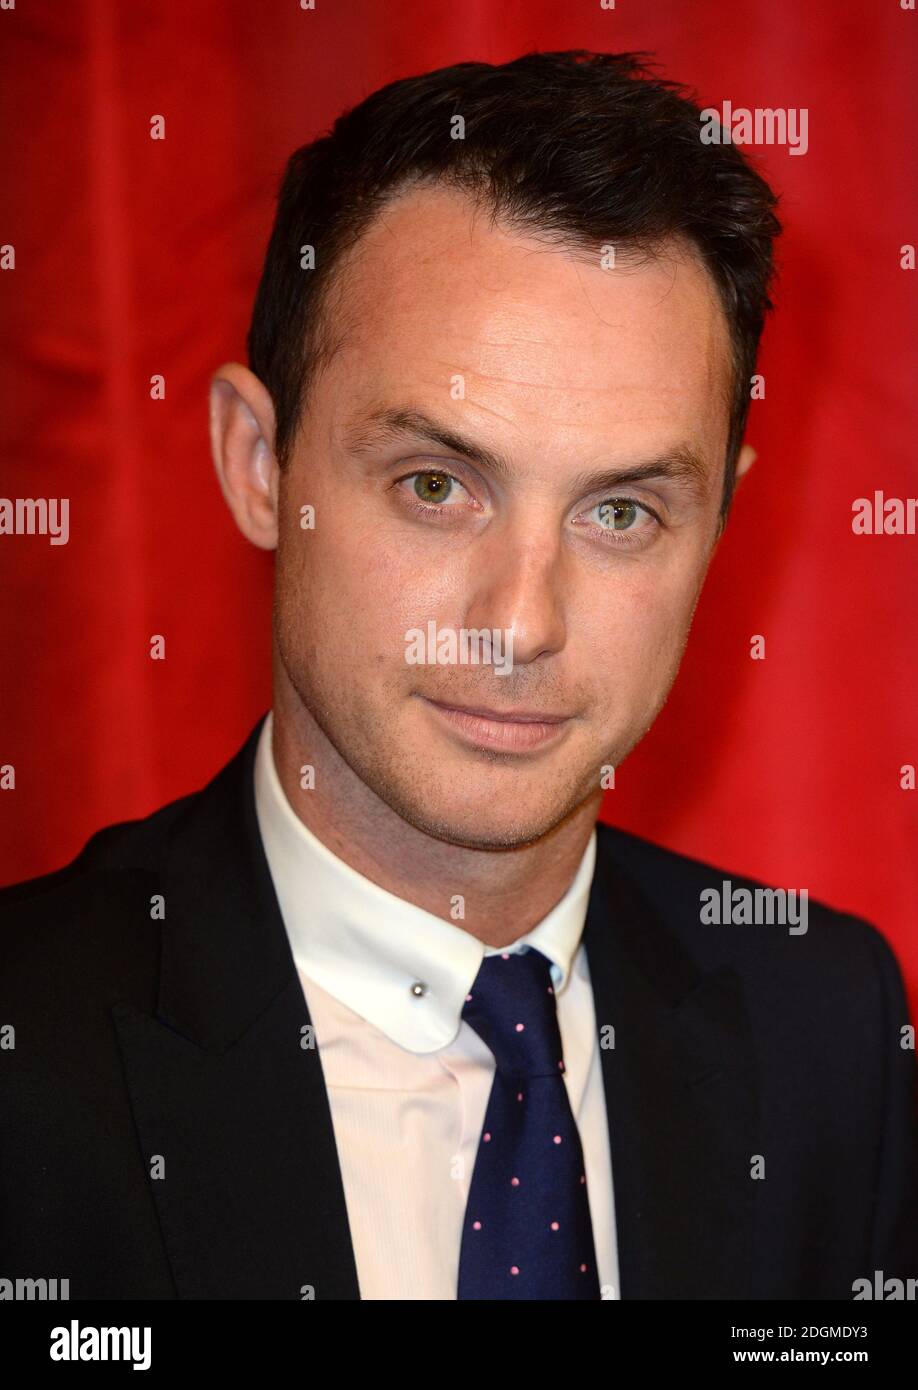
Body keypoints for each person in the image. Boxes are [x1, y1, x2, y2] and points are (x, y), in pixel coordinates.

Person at [1, 50, 915, 1302]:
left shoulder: (832, 1028)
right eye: (437, 486)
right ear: (258, 462)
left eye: (623, 513)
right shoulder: (28, 1054)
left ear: (719, 526)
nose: (521, 622)